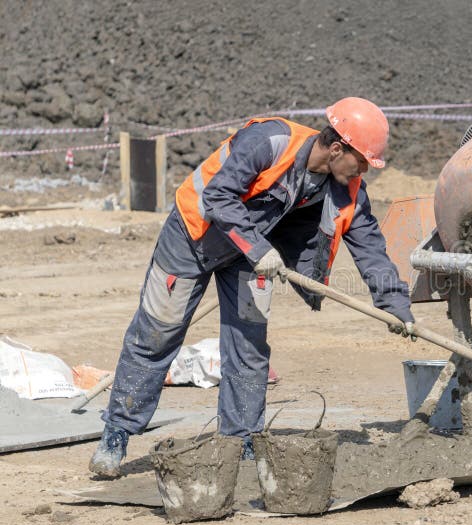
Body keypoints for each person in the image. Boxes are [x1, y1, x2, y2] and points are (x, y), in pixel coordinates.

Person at [89, 97, 415, 477]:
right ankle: (117, 435)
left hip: (248, 254)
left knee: (249, 346)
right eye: (361, 162)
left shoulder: (348, 188)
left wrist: (395, 304)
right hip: (192, 237)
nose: (364, 172)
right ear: (338, 148)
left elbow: (371, 247)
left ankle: (239, 443)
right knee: (157, 334)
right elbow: (218, 196)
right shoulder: (269, 142)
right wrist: (260, 249)